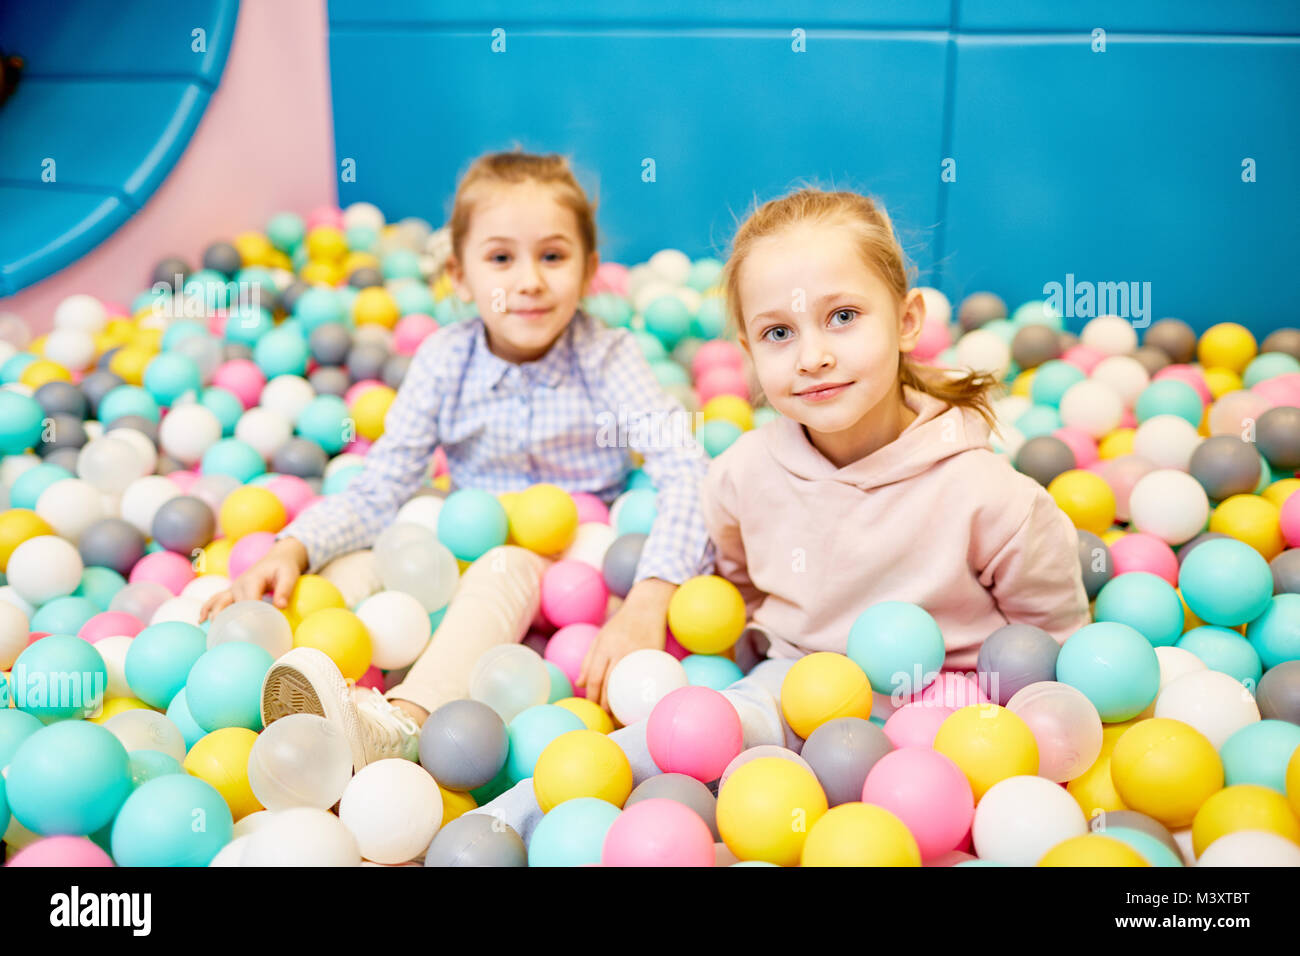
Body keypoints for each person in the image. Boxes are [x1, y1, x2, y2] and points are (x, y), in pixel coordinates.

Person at [472, 185, 1092, 843]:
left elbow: (1053, 646)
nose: (812, 355)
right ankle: (500, 827)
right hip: (789, 698)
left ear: (907, 319)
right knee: (680, 737)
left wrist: (991, 731)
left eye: (844, 316)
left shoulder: (990, 495)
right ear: (748, 350)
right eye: (778, 332)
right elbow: (738, 593)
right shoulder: (744, 473)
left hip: (950, 727)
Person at [199, 150, 714, 770]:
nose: (528, 281)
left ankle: (401, 722)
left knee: (501, 565)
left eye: (553, 256)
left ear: (588, 270)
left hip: (568, 556)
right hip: (457, 541)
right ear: (460, 276)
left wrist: (650, 597)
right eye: (501, 258)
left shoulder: (609, 355)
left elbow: (685, 467)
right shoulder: (446, 358)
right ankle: (293, 694)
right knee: (361, 566)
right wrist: (294, 547)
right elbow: (383, 485)